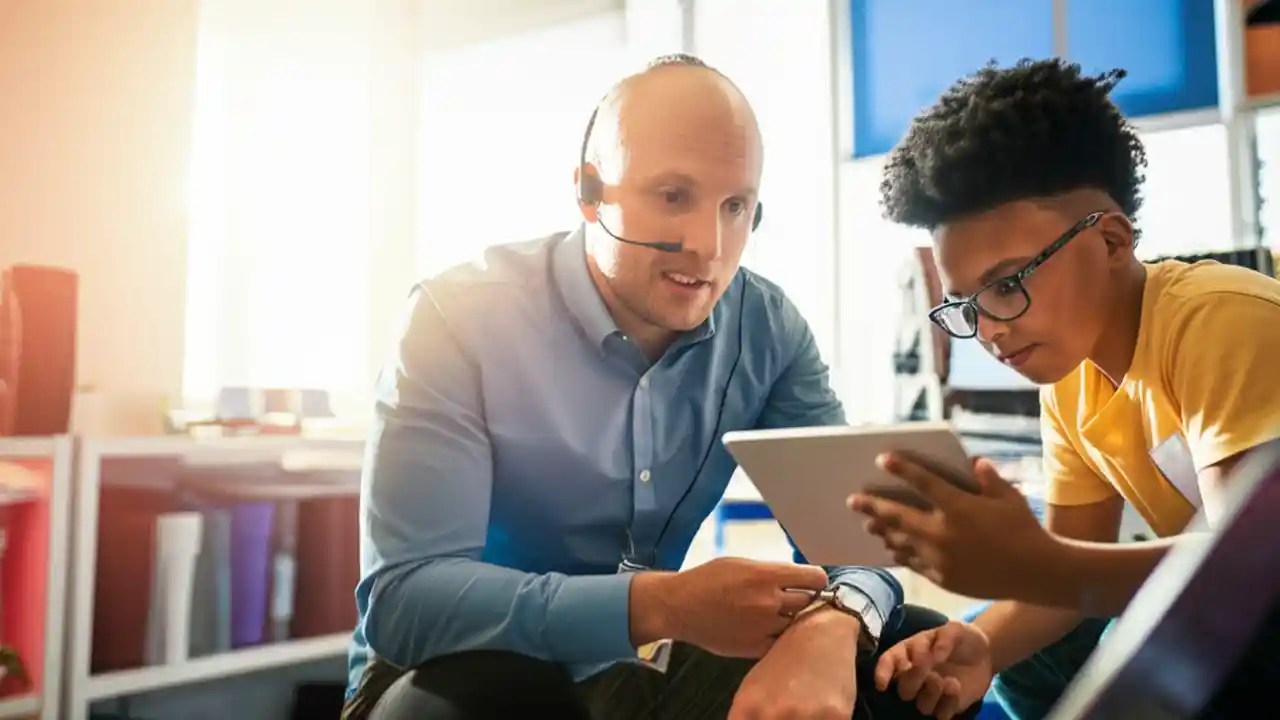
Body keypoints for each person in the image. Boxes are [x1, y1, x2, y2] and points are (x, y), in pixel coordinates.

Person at [342, 54, 969, 720]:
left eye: (736, 207)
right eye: (673, 197)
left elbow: (852, 541)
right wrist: (663, 604)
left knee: (911, 655)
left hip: (645, 662)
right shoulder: (457, 316)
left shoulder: (767, 327)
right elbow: (406, 604)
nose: (706, 245)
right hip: (453, 674)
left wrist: (834, 622)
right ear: (590, 191)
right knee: (495, 695)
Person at [848, 58, 1280, 719]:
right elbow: (1079, 558)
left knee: (1131, 642)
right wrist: (982, 642)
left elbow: (1250, 572)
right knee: (1029, 661)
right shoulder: (1072, 382)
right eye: (966, 303)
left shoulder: (1217, 319)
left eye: (1008, 285)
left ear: (1109, 241)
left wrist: (1036, 563)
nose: (989, 331)